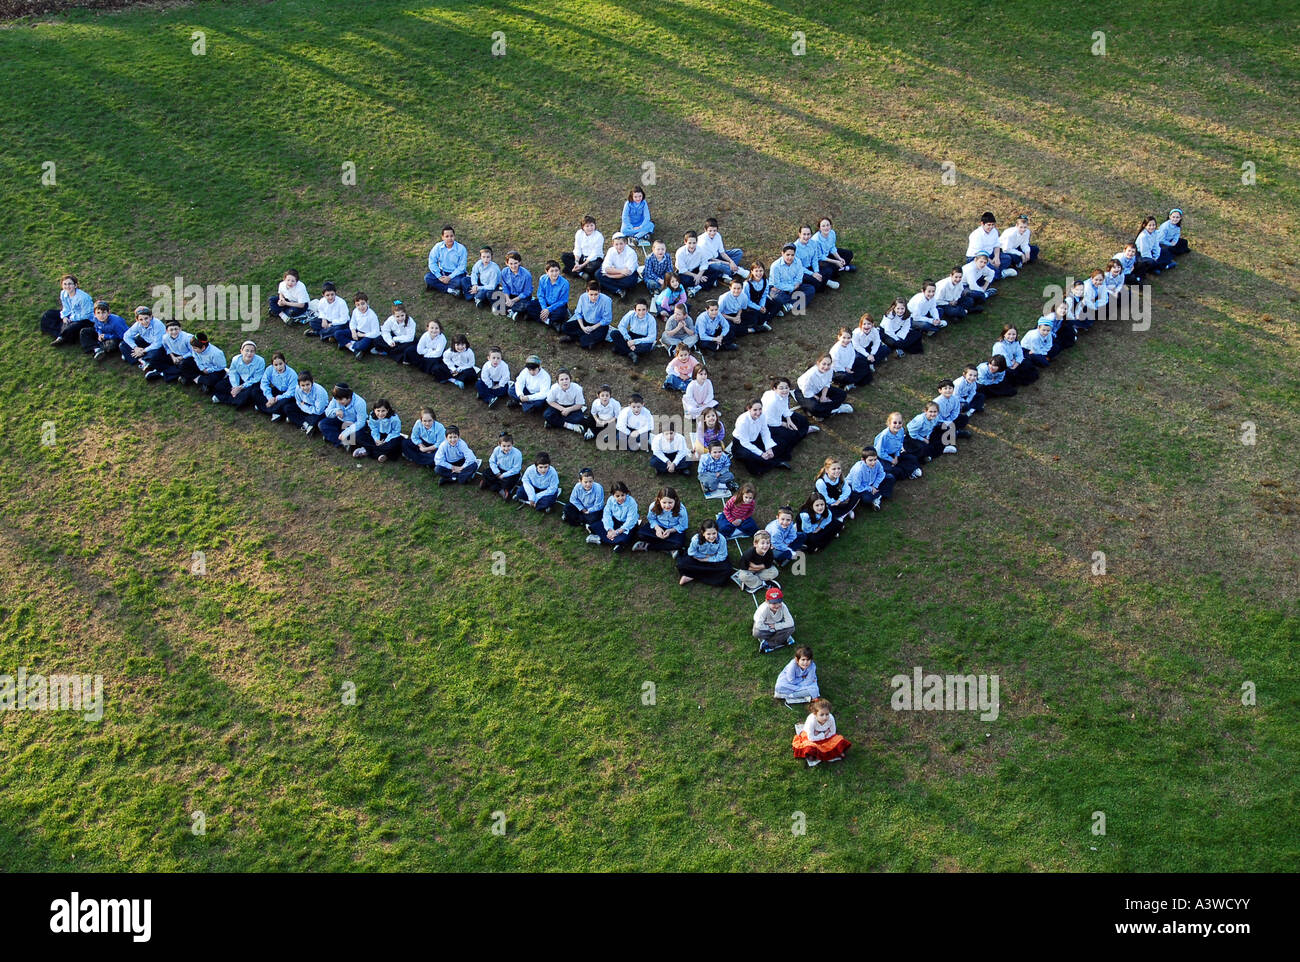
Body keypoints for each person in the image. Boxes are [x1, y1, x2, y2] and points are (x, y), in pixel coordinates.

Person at [762, 377, 813, 459]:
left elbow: (785, 406)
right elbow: (769, 420)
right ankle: (801, 433)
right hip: (769, 424)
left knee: (802, 420)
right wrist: (783, 424)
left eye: (786, 387)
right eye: (781, 388)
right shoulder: (772, 402)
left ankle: (804, 431)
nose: (785, 390)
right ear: (774, 389)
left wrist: (789, 420)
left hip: (778, 415)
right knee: (791, 435)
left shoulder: (784, 395)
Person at [792, 697, 850, 765]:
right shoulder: (812, 721)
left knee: (839, 739)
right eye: (822, 715)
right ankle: (813, 754)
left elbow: (833, 732)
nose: (825, 717)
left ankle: (837, 751)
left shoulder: (831, 718)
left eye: (827, 714)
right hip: (812, 736)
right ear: (815, 714)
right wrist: (823, 735)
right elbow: (811, 738)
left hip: (824, 735)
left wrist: (824, 735)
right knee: (809, 746)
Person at [733, 399, 785, 475]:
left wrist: (768, 447)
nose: (758, 412)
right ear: (749, 409)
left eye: (760, 409)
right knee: (750, 456)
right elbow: (745, 443)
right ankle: (775, 463)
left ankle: (769, 460)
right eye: (755, 410)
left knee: (777, 444)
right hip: (741, 443)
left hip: (755, 438)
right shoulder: (742, 421)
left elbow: (765, 432)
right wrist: (761, 453)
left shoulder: (762, 416)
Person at [676, 519, 733, 587]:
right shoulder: (696, 539)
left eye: (714, 533)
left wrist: (707, 559)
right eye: (708, 534)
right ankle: (707, 575)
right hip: (698, 558)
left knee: (727, 569)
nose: (711, 537)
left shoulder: (721, 539)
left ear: (717, 531)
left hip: (713, 560)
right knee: (682, 563)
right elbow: (691, 552)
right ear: (703, 533)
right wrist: (703, 556)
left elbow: (722, 556)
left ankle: (692, 575)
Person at [632, 487, 688, 552]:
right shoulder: (653, 506)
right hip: (658, 526)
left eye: (670, 502)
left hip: (674, 529)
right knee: (640, 534)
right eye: (664, 502)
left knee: (679, 544)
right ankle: (669, 548)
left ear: (675, 500)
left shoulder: (681, 510)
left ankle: (648, 546)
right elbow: (651, 519)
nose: (667, 506)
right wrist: (657, 528)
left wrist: (670, 531)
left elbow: (683, 525)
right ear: (659, 500)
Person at [213, 340, 266, 408]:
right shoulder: (235, 359)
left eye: (252, 351)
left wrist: (241, 387)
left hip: (252, 382)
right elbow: (233, 373)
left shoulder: (260, 361)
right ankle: (235, 397)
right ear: (241, 351)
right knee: (219, 385)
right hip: (239, 379)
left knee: (249, 395)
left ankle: (222, 398)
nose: (249, 353)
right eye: (247, 350)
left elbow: (256, 378)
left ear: (255, 353)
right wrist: (235, 387)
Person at [45, 274, 95, 345]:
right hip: (71, 314)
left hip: (85, 319)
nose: (67, 286)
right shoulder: (63, 293)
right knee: (48, 315)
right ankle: (64, 333)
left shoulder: (83, 298)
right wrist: (64, 317)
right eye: (65, 284)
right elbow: (66, 308)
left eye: (70, 284)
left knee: (72, 326)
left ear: (75, 285)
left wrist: (72, 318)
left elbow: (86, 315)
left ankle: (62, 336)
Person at [966, 211, 1018, 279]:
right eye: (989, 225)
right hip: (976, 257)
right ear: (982, 224)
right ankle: (1000, 274)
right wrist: (990, 261)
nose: (991, 227)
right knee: (988, 268)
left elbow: (997, 245)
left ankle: (993, 272)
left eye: (993, 225)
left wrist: (996, 258)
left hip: (990, 254)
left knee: (1007, 258)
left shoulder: (994, 231)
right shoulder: (976, 235)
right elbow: (979, 253)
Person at [562, 280, 612, 348]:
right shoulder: (583, 297)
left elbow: (607, 319)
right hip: (585, 321)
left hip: (599, 325)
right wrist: (582, 327)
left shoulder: (607, 300)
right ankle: (585, 339)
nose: (593, 297)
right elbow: (578, 313)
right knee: (564, 327)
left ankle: (575, 338)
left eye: (596, 294)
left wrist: (592, 328)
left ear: (599, 291)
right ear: (587, 292)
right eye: (591, 295)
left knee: (600, 334)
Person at [874, 411, 922, 481]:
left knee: (912, 458)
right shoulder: (884, 436)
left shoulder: (901, 430)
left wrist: (896, 457)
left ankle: (911, 469)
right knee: (891, 470)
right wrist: (891, 460)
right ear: (889, 423)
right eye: (894, 423)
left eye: (900, 423)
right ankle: (909, 471)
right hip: (883, 456)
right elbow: (880, 452)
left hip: (894, 453)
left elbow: (899, 444)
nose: (897, 425)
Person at [592, 481, 639, 553]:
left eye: (622, 495)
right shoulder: (610, 500)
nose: (620, 498)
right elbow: (607, 514)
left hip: (627, 524)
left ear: (626, 493)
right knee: (595, 525)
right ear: (613, 495)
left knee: (625, 537)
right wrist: (610, 529)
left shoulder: (632, 502)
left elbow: (630, 521)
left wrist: (617, 532)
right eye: (617, 496)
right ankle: (613, 540)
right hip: (615, 521)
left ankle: (603, 539)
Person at [542, 369, 591, 437]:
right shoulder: (554, 388)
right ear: (558, 381)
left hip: (571, 407)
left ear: (570, 379)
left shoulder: (577, 388)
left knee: (579, 418)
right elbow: (550, 401)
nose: (564, 381)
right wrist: (562, 409)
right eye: (561, 380)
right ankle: (572, 426)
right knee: (547, 415)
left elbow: (580, 404)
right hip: (558, 406)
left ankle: (553, 422)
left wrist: (568, 409)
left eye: (566, 379)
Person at [769, 243, 815, 314]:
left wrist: (794, 286)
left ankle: (790, 305)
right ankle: (794, 302)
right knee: (777, 296)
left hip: (794, 285)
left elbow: (799, 277)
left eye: (792, 255)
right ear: (782, 253)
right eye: (787, 255)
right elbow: (777, 284)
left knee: (811, 289)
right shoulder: (775, 266)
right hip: (780, 288)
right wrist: (792, 288)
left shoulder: (798, 262)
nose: (790, 257)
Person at [319, 383, 368, 448]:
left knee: (357, 435)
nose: (338, 402)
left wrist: (346, 432)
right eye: (337, 399)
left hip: (354, 423)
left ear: (348, 397)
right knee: (322, 424)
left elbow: (361, 422)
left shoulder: (360, 403)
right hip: (340, 420)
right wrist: (336, 411)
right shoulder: (336, 399)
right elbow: (327, 412)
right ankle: (343, 443)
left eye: (341, 400)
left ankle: (333, 437)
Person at [525, 260, 570, 330]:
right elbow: (540, 295)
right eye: (551, 271)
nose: (554, 273)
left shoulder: (565, 283)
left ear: (559, 271)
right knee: (528, 305)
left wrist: (549, 310)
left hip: (556, 306)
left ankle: (538, 317)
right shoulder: (543, 279)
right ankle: (551, 323)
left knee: (561, 314)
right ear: (547, 272)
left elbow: (563, 301)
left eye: (556, 270)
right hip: (545, 303)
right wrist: (544, 308)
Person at [698, 217, 745, 284]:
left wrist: (731, 261)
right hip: (708, 262)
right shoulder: (702, 241)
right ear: (705, 230)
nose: (712, 233)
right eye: (710, 231)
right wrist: (728, 263)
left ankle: (725, 274)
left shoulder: (717, 235)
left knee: (738, 252)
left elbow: (722, 252)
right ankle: (735, 271)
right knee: (719, 265)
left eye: (715, 230)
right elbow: (711, 259)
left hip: (717, 255)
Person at [847, 446, 895, 510]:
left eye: (875, 459)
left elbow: (881, 473)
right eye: (870, 460)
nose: (873, 463)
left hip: (872, 482)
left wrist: (875, 485)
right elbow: (856, 487)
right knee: (866, 498)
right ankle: (878, 496)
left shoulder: (877, 463)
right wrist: (870, 488)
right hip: (859, 486)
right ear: (863, 460)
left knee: (890, 477)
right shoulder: (858, 470)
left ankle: (877, 496)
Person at [425, 225, 468, 295]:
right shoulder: (438, 247)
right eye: (447, 236)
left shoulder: (461, 249)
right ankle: (449, 290)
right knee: (427, 277)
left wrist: (449, 277)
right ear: (442, 237)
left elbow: (462, 267)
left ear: (454, 236)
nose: (450, 238)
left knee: (459, 282)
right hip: (442, 273)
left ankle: (438, 286)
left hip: (455, 274)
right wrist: (439, 277)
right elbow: (432, 262)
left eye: (451, 236)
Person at [285, 370, 330, 435]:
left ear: (312, 382)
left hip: (318, 411)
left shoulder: (319, 392)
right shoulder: (297, 389)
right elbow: (298, 402)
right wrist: (303, 406)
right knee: (288, 408)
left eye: (307, 384)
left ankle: (298, 420)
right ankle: (306, 424)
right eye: (303, 385)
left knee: (316, 419)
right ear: (299, 385)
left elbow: (318, 410)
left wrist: (304, 407)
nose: (305, 388)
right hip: (307, 407)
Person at [564, 468, 606, 538]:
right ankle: (584, 522)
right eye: (585, 482)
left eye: (590, 481)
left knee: (597, 517)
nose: (588, 484)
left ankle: (580, 521)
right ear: (580, 481)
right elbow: (573, 499)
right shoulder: (577, 487)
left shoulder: (598, 488)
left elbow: (599, 505)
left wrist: (589, 511)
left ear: (593, 480)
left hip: (592, 510)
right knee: (567, 507)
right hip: (581, 508)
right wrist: (582, 508)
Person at [121, 306, 167, 370]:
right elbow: (126, 336)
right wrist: (135, 347)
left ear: (151, 317)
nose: (144, 322)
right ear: (137, 320)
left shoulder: (158, 324)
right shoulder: (137, 325)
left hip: (159, 345)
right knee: (123, 344)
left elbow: (157, 344)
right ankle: (140, 359)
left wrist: (144, 350)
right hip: (146, 342)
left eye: (146, 318)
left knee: (156, 354)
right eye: (141, 319)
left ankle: (141, 358)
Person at [793, 224, 837, 291]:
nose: (806, 237)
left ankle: (821, 282)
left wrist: (816, 271)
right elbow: (798, 267)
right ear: (799, 234)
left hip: (811, 267)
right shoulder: (795, 248)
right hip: (801, 271)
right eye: (804, 234)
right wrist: (812, 274)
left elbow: (814, 259)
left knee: (829, 270)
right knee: (812, 279)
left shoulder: (813, 243)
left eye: (808, 234)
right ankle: (825, 282)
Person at [255, 352, 298, 419]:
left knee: (285, 403)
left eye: (280, 364)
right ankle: (276, 411)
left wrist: (276, 399)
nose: (279, 367)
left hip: (288, 395)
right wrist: (270, 397)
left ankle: (265, 408)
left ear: (285, 362)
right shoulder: (269, 369)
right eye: (275, 365)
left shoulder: (292, 374)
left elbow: (291, 392)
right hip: (277, 390)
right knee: (256, 392)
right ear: (272, 365)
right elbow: (264, 383)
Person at [480, 432, 523, 499]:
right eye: (504, 446)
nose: (506, 449)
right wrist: (497, 472)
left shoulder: (517, 454)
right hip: (499, 469)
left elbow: (516, 469)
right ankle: (496, 486)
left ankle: (496, 487)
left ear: (512, 444)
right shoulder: (497, 450)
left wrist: (503, 475)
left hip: (510, 473)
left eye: (509, 446)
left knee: (509, 482)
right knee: (486, 472)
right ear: (499, 444)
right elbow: (492, 461)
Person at [815, 457, 858, 522]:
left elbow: (847, 490)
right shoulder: (821, 482)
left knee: (856, 495)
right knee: (828, 510)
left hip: (838, 500)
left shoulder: (840, 478)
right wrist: (836, 502)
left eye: (838, 468)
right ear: (827, 470)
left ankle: (844, 513)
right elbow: (824, 498)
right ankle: (842, 514)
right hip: (829, 503)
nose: (837, 471)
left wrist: (840, 500)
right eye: (834, 469)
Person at [597, 233, 640, 300]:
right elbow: (606, 268)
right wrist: (620, 271)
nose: (619, 247)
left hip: (626, 276)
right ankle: (618, 290)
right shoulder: (611, 251)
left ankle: (607, 286)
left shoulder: (631, 253)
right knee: (597, 274)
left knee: (629, 282)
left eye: (621, 244)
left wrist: (610, 276)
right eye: (616, 244)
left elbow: (627, 273)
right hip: (616, 271)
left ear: (625, 243)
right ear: (613, 244)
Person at [753, 587, 795, 653]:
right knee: (756, 633)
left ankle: (768, 644)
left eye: (779, 602)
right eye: (774, 603)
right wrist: (771, 628)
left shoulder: (783, 606)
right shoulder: (763, 609)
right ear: (767, 601)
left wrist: (776, 626)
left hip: (778, 624)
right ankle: (783, 638)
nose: (777, 605)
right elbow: (758, 625)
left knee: (791, 628)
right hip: (767, 626)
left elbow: (791, 623)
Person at [340, 292, 381, 358]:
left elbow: (376, 332)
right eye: (358, 305)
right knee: (338, 334)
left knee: (362, 345)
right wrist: (353, 332)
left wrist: (363, 335)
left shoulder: (372, 315)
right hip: (357, 332)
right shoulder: (355, 311)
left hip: (367, 336)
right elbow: (353, 322)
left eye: (363, 304)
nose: (361, 307)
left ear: (367, 302)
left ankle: (347, 344)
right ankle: (355, 349)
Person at [498, 251, 534, 319]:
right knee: (496, 300)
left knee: (526, 305)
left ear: (519, 262)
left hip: (522, 296)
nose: (513, 266)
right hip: (511, 294)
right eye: (511, 264)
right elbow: (505, 287)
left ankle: (512, 310)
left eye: (515, 263)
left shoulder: (527, 275)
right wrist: (508, 299)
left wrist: (513, 300)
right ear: (507, 263)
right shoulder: (504, 272)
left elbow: (527, 292)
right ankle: (515, 311)